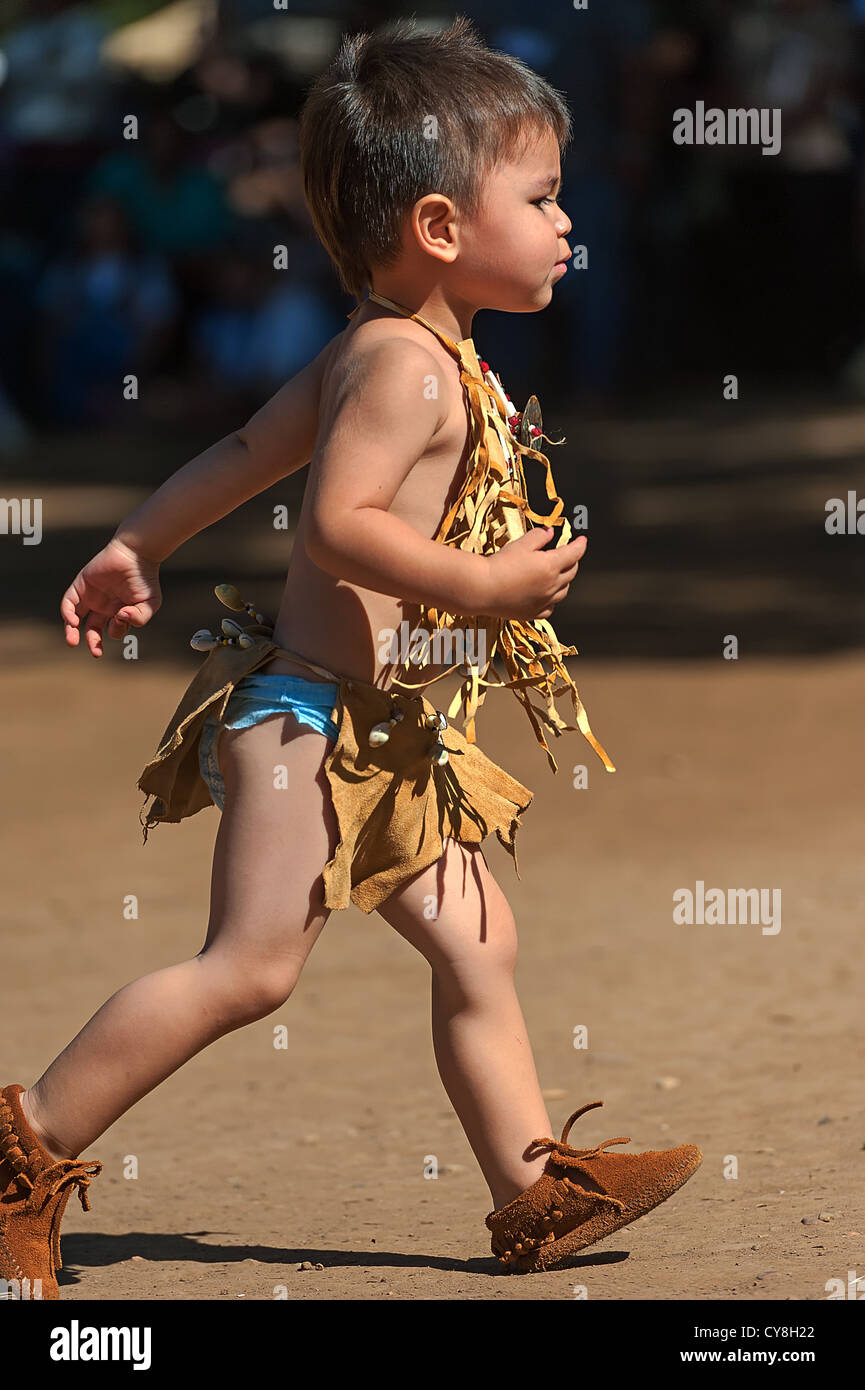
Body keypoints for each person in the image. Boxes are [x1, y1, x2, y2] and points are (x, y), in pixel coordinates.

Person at [0, 17, 701, 1298]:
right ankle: (23, 1152)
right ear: (439, 226)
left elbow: (240, 456)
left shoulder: (398, 349)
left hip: (385, 737)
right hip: (305, 725)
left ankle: (530, 1187)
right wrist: (487, 585)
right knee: (250, 968)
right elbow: (334, 521)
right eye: (540, 198)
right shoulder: (405, 371)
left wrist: (133, 544)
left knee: (478, 941)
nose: (562, 224)